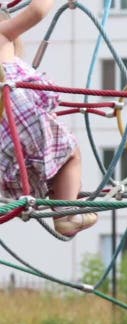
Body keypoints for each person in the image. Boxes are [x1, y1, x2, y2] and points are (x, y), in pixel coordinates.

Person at [0, 0, 96, 236]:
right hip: (19, 120)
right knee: (70, 153)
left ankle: (60, 198)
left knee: (51, 164)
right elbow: (36, 11)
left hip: (4, 138)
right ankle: (66, 214)